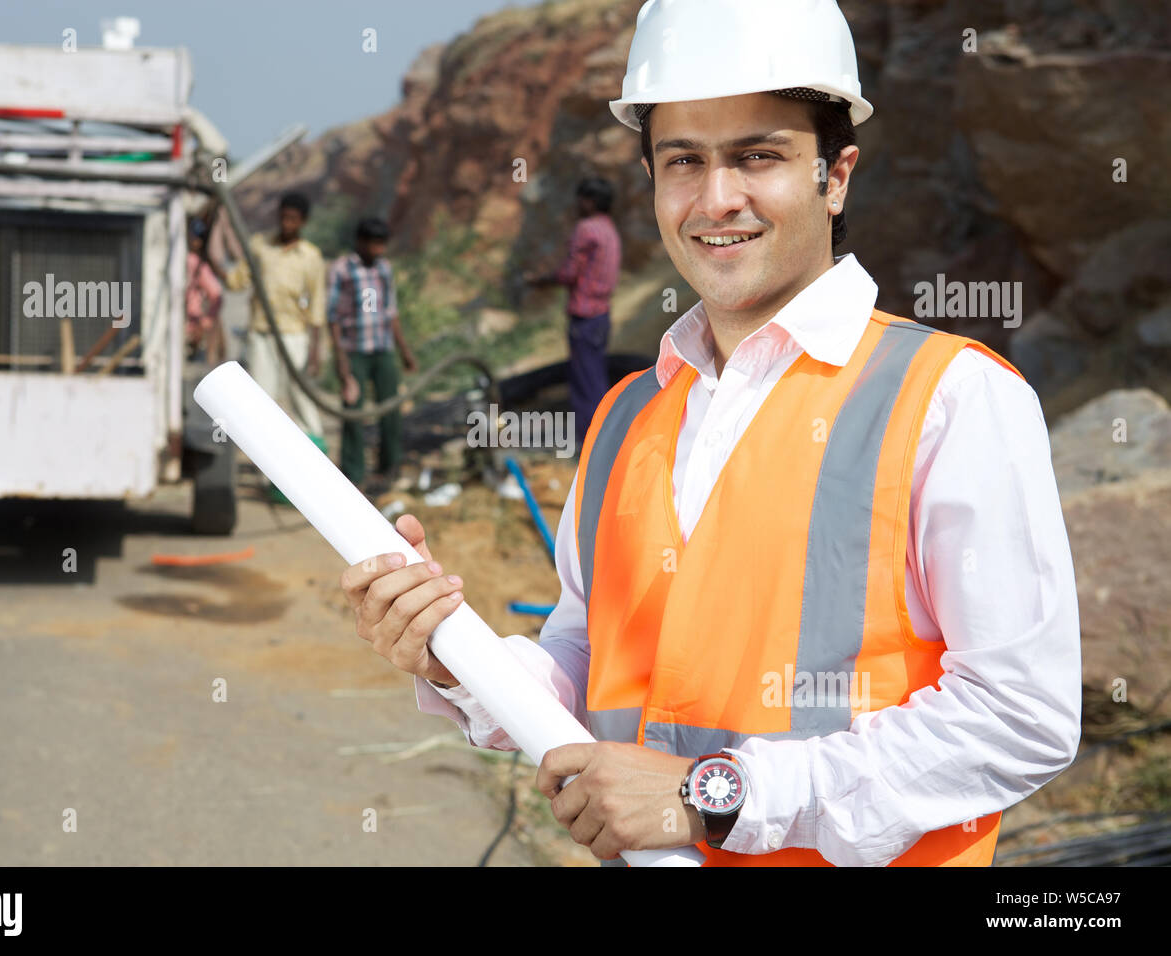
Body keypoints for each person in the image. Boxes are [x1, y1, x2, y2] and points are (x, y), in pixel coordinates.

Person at [337, 0, 1081, 866]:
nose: (716, 198)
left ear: (835, 176)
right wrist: (452, 658)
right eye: (683, 160)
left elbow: (1020, 717)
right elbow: (583, 657)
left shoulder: (951, 399)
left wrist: (712, 797)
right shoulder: (624, 418)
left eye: (757, 156)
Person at [225, 192, 329, 462]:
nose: (287, 224)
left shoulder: (310, 257)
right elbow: (237, 281)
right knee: (263, 400)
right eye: (284, 217)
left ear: (303, 222)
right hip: (262, 335)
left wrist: (316, 349)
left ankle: (312, 455)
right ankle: (268, 464)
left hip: (295, 336)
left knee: (301, 397)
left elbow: (317, 303)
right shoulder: (260, 246)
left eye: (293, 219)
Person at [525, 177, 622, 444]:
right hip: (602, 314)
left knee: (584, 382)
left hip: (585, 315)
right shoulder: (609, 229)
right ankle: (604, 436)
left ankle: (590, 442)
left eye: (581, 199)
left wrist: (541, 280)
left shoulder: (586, 229)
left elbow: (570, 272)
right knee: (596, 378)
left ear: (589, 201)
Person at [327, 217, 417, 494]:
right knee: (353, 411)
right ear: (360, 242)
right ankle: (353, 475)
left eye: (382, 245)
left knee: (390, 408)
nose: (378, 251)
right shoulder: (341, 270)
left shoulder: (384, 270)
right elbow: (332, 317)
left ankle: (389, 467)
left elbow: (391, 313)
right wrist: (341, 363)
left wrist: (404, 352)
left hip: (382, 349)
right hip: (354, 351)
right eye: (374, 244)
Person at [184, 218, 224, 366]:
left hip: (190, 330)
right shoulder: (187, 260)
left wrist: (205, 322)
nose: (195, 242)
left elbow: (216, 294)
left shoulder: (195, 263)